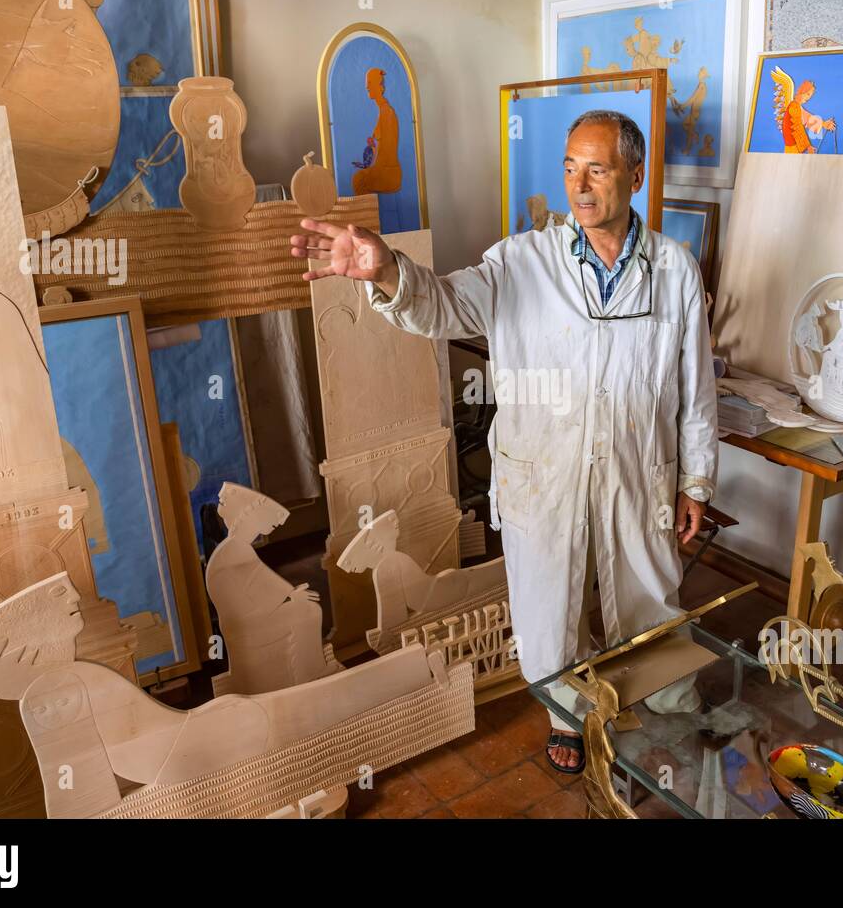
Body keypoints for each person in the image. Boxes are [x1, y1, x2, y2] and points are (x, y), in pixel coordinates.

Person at [290, 110, 718, 774]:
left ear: (635, 175)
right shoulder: (522, 261)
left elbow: (696, 384)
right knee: (549, 606)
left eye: (597, 169)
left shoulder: (674, 268)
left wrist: (696, 480)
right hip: (543, 471)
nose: (580, 185)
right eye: (571, 167)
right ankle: (567, 716)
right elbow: (442, 305)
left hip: (638, 468)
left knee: (650, 596)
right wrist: (385, 272)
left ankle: (671, 705)